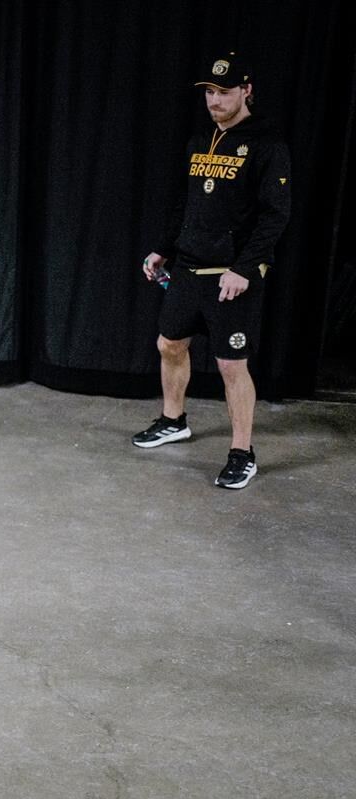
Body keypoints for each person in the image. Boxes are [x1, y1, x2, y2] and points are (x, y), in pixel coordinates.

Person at [136, 52, 290, 489]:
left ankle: (243, 452)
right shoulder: (200, 140)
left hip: (232, 278)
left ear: (246, 91)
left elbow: (275, 215)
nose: (215, 100)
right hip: (188, 269)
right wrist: (163, 250)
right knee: (169, 344)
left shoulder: (267, 145)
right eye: (209, 92)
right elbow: (187, 204)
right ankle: (173, 420)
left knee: (230, 365)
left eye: (224, 92)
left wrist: (244, 268)